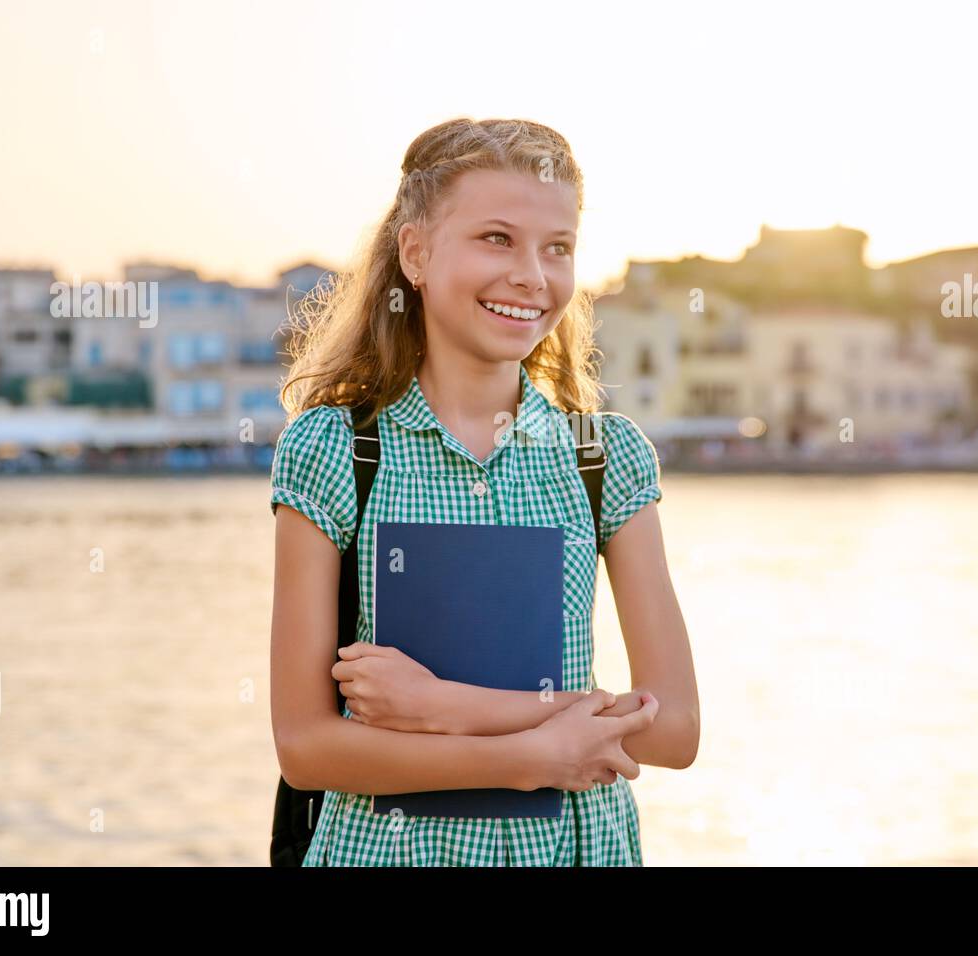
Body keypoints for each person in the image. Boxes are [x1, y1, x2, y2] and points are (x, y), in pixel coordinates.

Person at [269, 117, 698, 866]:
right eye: (497, 238)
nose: (532, 275)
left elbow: (675, 730)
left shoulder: (606, 459)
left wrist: (442, 708)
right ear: (417, 252)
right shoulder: (335, 450)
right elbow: (306, 747)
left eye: (557, 248)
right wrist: (532, 754)